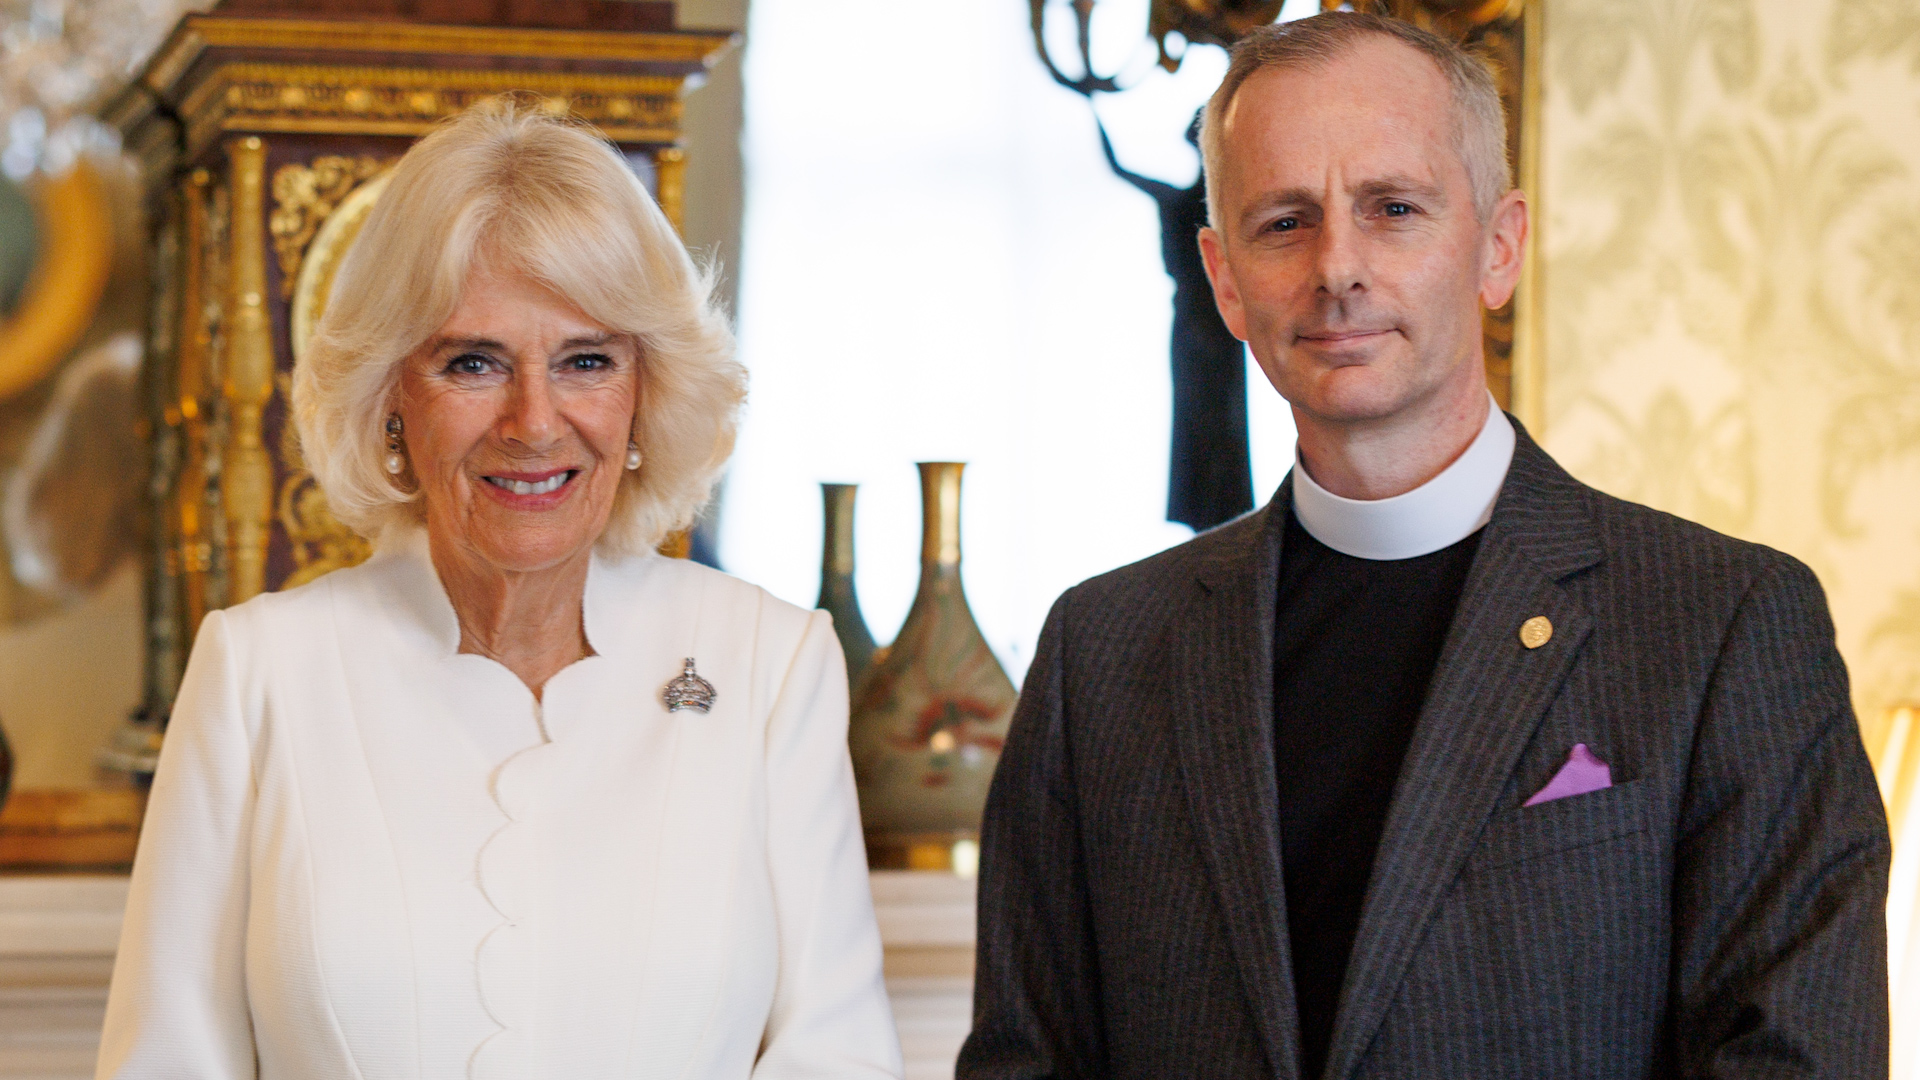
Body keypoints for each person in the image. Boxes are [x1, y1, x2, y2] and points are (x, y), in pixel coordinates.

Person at [959, 13, 1890, 1080]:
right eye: (1282, 223)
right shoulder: (1103, 650)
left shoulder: (1724, 624)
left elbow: (1797, 1062)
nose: (1336, 268)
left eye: (1392, 209)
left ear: (1500, 247)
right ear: (1222, 278)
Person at [98, 100, 903, 1079]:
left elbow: (839, 1056)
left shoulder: (769, 665)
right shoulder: (258, 669)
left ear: (647, 390)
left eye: (586, 362)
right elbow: (167, 1062)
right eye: (473, 363)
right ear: (393, 395)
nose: (533, 421)